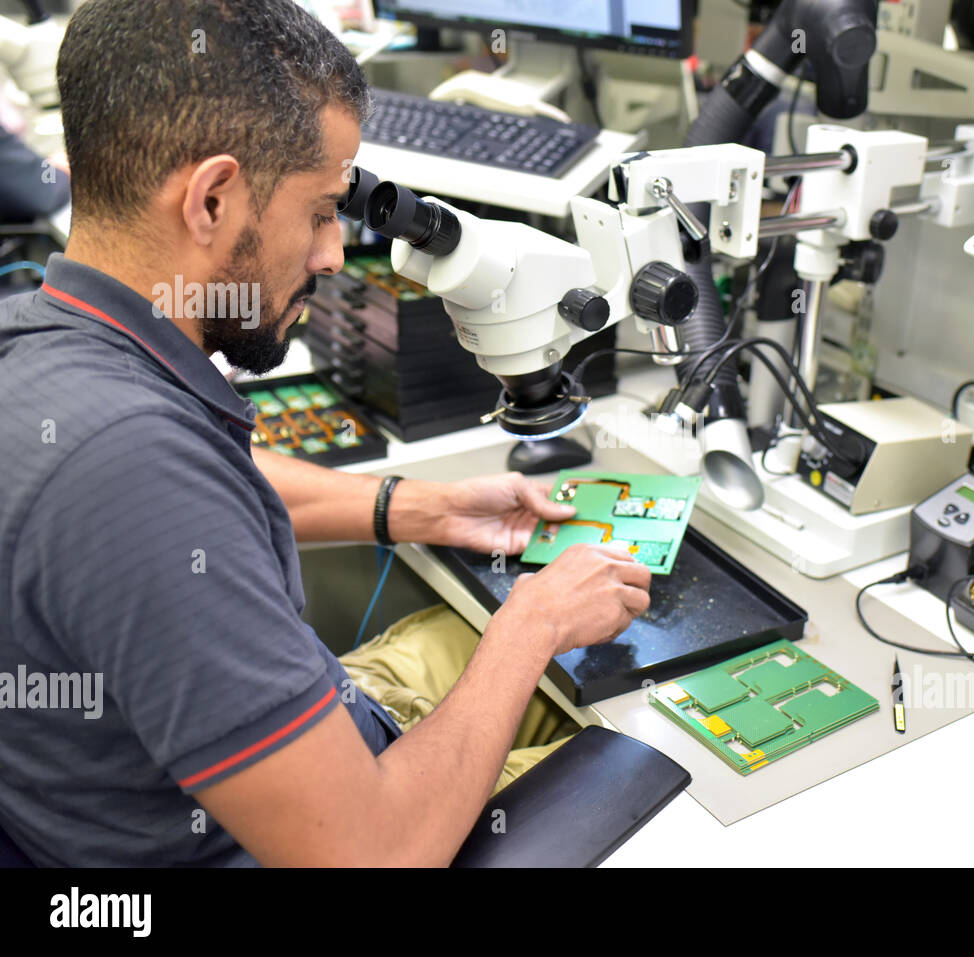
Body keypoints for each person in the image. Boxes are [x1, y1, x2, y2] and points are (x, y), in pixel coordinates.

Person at [0, 0, 652, 867]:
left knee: (516, 651)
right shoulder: (134, 475)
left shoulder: (41, 341)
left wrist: (423, 507)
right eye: (318, 211)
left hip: (270, 765)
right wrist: (528, 624)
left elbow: (206, 494)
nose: (335, 254)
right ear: (212, 199)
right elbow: (371, 855)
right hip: (354, 833)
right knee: (676, 748)